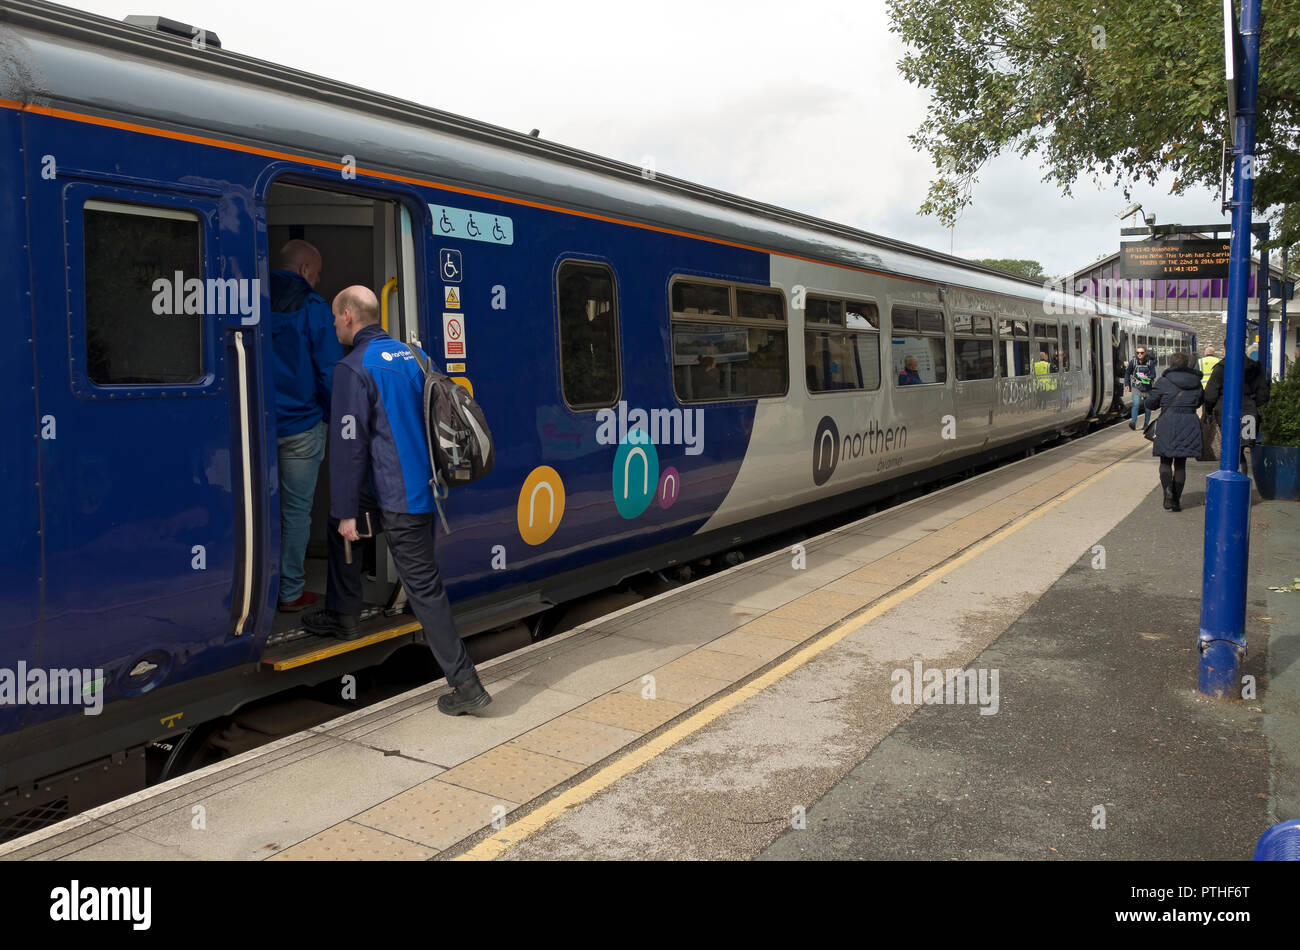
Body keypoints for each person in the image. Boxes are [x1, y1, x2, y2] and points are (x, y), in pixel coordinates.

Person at [325, 285, 490, 716]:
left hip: (397, 497)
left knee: (424, 590)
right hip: (425, 489)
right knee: (423, 584)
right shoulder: (414, 356)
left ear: (347, 316)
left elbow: (349, 448)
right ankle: (341, 614)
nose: (334, 325)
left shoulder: (352, 368)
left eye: (334, 318)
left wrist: (345, 512)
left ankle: (466, 684)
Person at [270, 240, 344, 611]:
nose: (316, 281)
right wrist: (337, 417)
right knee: (295, 513)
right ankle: (289, 591)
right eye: (315, 273)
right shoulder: (313, 308)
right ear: (304, 270)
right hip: (301, 427)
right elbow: (329, 372)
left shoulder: (248, 296)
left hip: (257, 429)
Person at [1143, 352, 1203, 512]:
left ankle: (1167, 491)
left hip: (1168, 423)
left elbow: (1150, 404)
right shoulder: (1196, 381)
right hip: (1189, 423)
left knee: (1165, 462)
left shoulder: (1163, 381)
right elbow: (1199, 401)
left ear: (1171, 364)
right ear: (1186, 364)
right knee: (1181, 463)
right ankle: (1176, 501)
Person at [1203, 349, 1271, 473]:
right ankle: (1242, 479)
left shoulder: (1221, 368)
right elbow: (1264, 394)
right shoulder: (1255, 368)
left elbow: (1210, 395)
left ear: (1224, 349)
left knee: (1230, 450)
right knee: (1241, 450)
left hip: (1225, 411)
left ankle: (1232, 483)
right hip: (1249, 412)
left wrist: (1208, 410)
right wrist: (1253, 403)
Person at [1125, 345, 1158, 430]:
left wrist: (1147, 377)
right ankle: (1133, 422)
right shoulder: (1133, 362)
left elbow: (1153, 374)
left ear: (1145, 353)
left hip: (1147, 387)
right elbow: (1127, 373)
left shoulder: (1150, 363)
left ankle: (1146, 424)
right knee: (1136, 404)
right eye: (1137, 353)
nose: (1139, 354)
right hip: (1136, 386)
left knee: (1147, 406)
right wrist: (1127, 384)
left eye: (1141, 353)